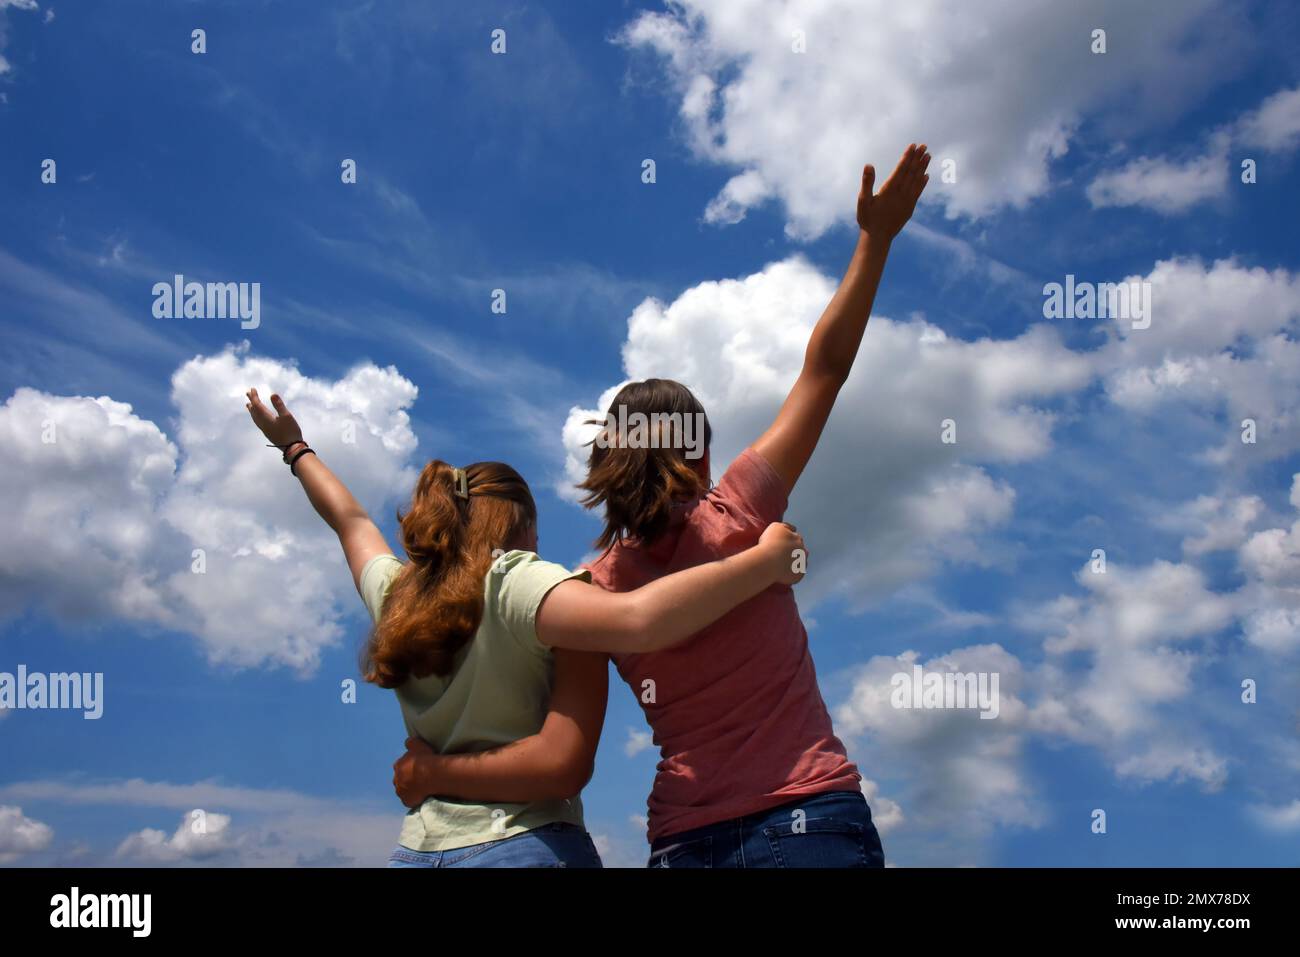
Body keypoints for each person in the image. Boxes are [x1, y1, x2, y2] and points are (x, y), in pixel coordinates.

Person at [397, 144, 930, 867]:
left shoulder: (590, 588)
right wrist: (875, 239)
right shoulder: (742, 506)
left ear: (608, 463)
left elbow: (535, 711)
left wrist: (437, 759)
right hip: (807, 815)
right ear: (700, 454)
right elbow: (825, 371)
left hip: (685, 840)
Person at [244, 388, 807, 868]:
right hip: (527, 843)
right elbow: (634, 624)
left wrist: (295, 450)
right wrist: (761, 565)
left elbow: (351, 521)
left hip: (418, 850)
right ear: (520, 526)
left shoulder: (398, 594)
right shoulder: (523, 581)